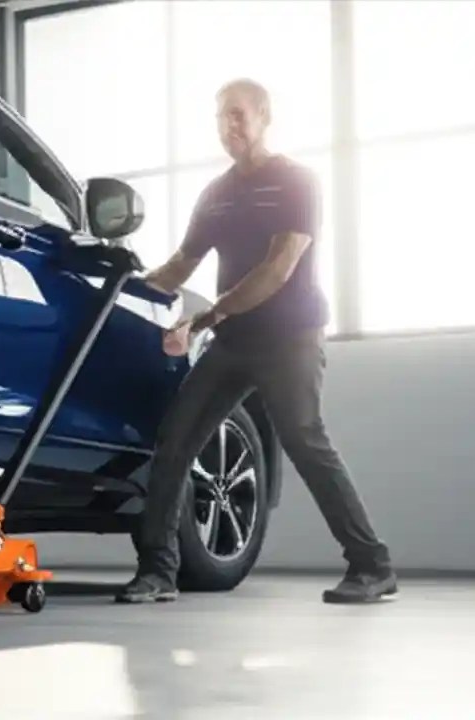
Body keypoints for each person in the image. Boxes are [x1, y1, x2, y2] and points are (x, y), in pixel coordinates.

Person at [116, 78, 397, 605]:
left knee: (304, 441)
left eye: (239, 115)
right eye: (222, 117)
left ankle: (372, 565)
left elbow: (278, 268)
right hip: (234, 341)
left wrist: (206, 318)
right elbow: (182, 263)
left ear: (265, 116)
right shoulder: (216, 195)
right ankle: (158, 572)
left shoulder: (296, 182)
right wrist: (122, 287)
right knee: (175, 440)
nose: (229, 127)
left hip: (290, 335)